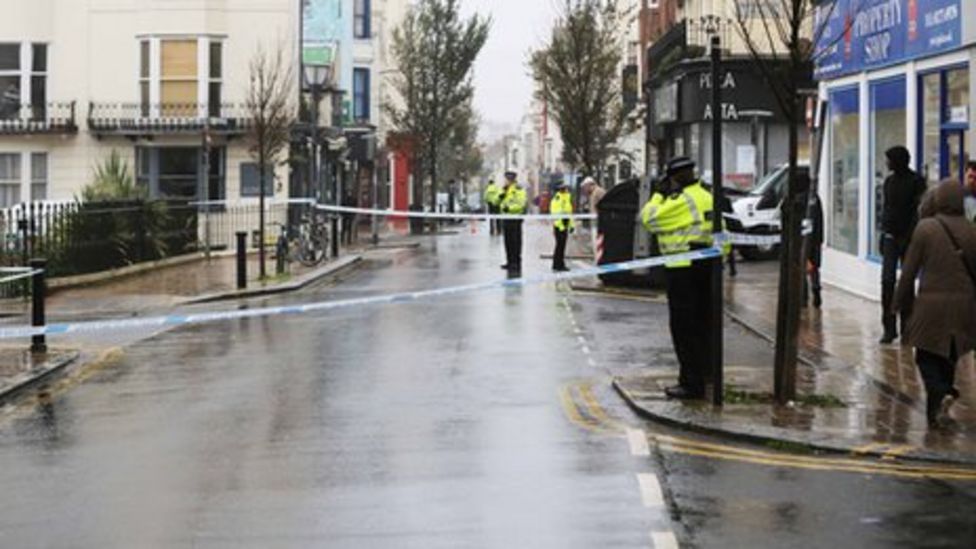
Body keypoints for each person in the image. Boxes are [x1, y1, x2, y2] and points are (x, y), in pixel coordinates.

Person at [894, 180, 976, 428]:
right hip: (964, 306)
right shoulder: (972, 230)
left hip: (931, 305)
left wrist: (898, 303)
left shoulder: (926, 228)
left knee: (926, 357)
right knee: (948, 358)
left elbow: (908, 272)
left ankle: (942, 392)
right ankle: (937, 417)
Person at [641, 157, 717, 400]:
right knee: (702, 325)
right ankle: (706, 375)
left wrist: (657, 195)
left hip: (682, 269)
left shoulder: (682, 200)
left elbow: (649, 219)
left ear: (675, 177)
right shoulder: (707, 196)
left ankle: (691, 384)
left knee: (683, 329)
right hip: (706, 267)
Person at [879, 146, 927, 344]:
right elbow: (887, 209)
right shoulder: (889, 182)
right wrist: (883, 233)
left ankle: (907, 327)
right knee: (887, 281)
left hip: (909, 239)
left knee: (906, 285)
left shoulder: (916, 181)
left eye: (889, 159)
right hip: (890, 237)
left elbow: (919, 211)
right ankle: (889, 328)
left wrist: (910, 236)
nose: (887, 163)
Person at [499, 171, 527, 274]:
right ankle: (509, 261)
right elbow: (499, 202)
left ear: (511, 179)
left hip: (515, 219)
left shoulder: (518, 189)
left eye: (507, 179)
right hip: (506, 219)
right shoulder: (505, 190)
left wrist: (509, 209)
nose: (506, 181)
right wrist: (502, 194)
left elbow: (521, 204)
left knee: (516, 242)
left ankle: (516, 263)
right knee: (508, 242)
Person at [804, 190, 825, 308]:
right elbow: (820, 219)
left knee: (803, 267)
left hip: (804, 238)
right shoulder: (815, 197)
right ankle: (816, 290)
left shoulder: (800, 197)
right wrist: (820, 238)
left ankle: (804, 296)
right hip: (815, 238)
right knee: (814, 268)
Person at [550, 182, 575, 272]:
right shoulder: (557, 199)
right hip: (559, 226)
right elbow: (555, 214)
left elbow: (569, 213)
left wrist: (571, 225)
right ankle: (557, 264)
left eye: (565, 188)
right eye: (563, 188)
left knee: (562, 246)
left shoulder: (567, 198)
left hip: (565, 225)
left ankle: (560, 264)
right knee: (559, 246)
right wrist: (561, 226)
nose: (565, 189)